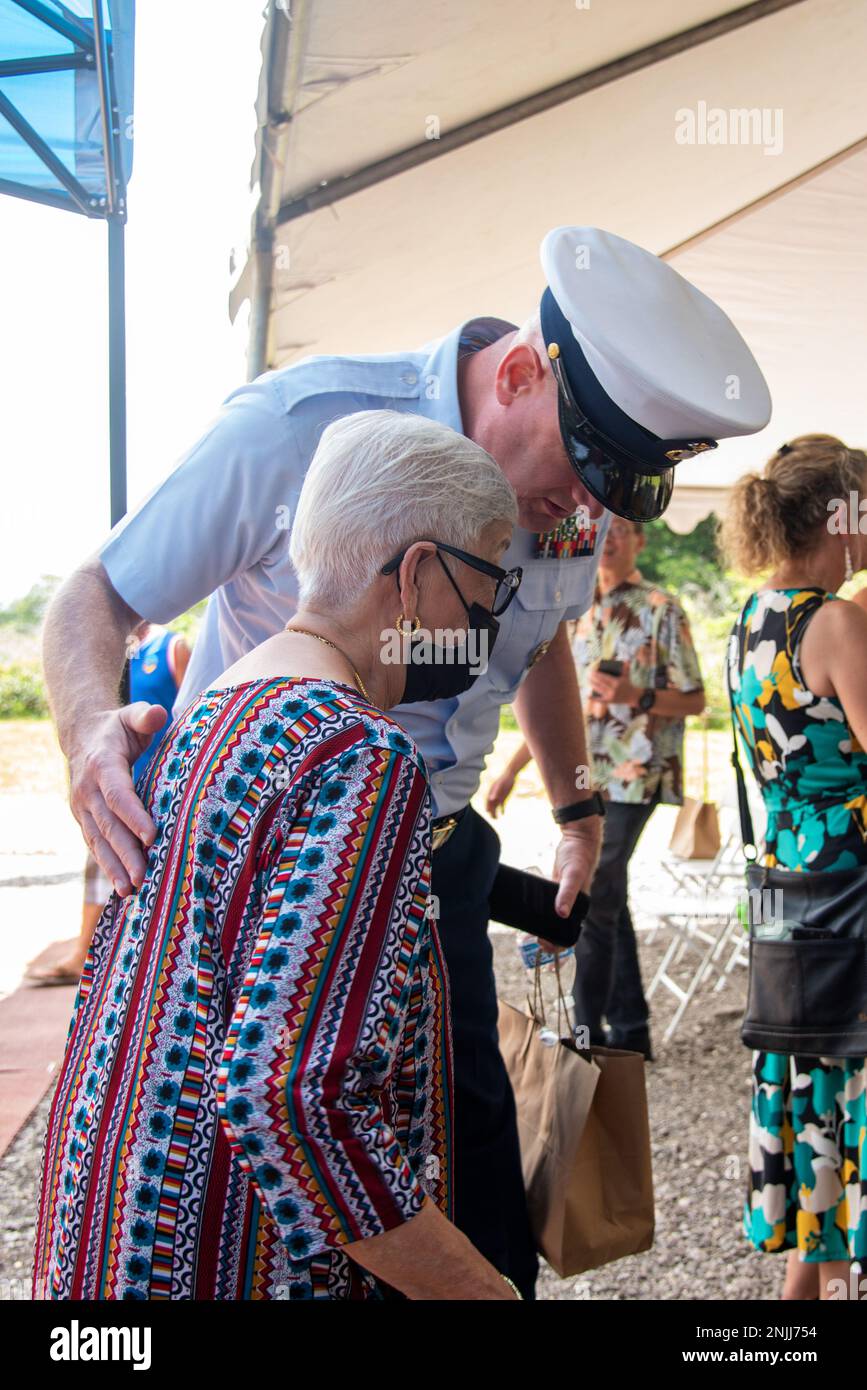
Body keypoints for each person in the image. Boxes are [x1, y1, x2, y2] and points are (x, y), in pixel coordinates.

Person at [40, 225, 771, 1296]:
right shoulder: (295, 430)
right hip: (285, 855)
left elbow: (548, 643)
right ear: (522, 374)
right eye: (486, 586)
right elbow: (95, 593)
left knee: (441, 1162)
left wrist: (573, 806)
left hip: (432, 861)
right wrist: (89, 729)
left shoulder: (555, 508)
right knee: (320, 1156)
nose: (581, 520)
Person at [33, 411, 525, 1301]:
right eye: (490, 575)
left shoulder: (213, 711)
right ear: (415, 574)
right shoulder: (357, 754)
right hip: (229, 1255)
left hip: (115, 1245)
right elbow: (295, 1106)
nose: (494, 613)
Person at [721, 434, 867, 1301]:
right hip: (855, 890)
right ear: (840, 520)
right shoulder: (839, 623)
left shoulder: (750, 618)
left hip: (788, 897)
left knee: (818, 1092)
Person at [486, 517, 705, 1058]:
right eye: (603, 533)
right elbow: (563, 707)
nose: (609, 541)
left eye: (622, 532)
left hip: (639, 773)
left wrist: (637, 695)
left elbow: (696, 699)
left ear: (640, 542)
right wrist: (513, 768)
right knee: (610, 901)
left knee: (596, 892)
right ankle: (631, 1031)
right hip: (589, 778)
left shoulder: (662, 608)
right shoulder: (577, 613)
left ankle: (585, 1037)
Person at [25, 622, 189, 987]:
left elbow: (194, 707)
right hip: (116, 779)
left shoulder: (171, 647)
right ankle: (87, 954)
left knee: (142, 873)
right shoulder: (113, 645)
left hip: (160, 780)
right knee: (103, 866)